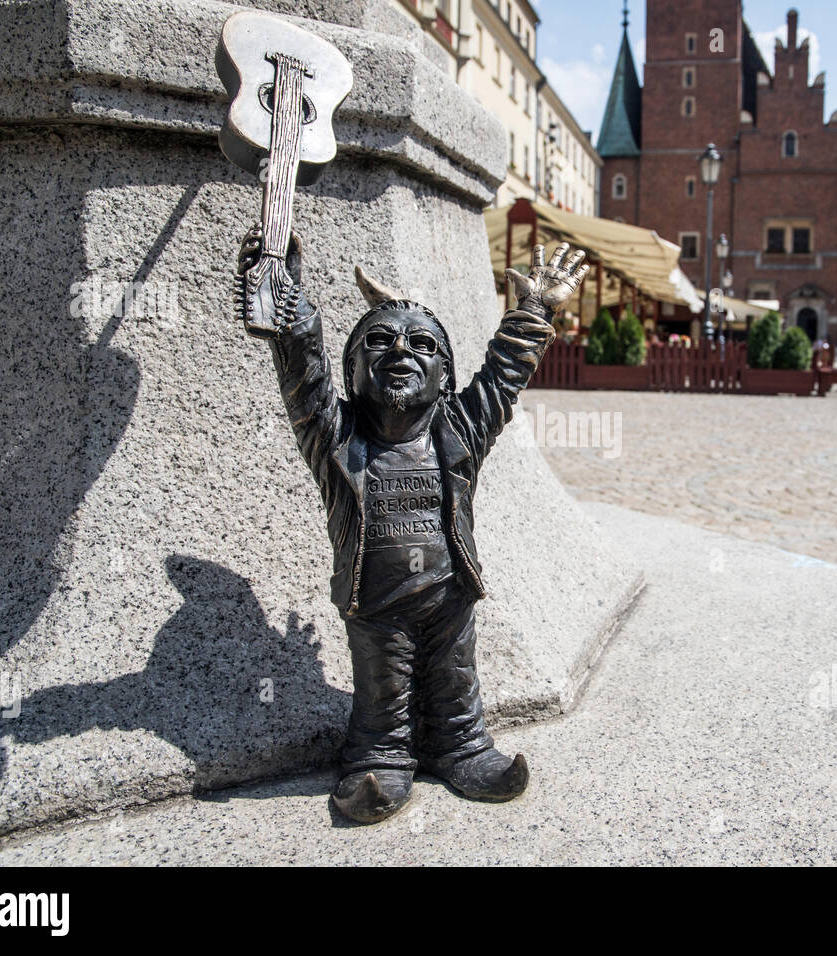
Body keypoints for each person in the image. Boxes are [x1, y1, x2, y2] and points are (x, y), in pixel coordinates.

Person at [235, 228, 587, 824]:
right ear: (352, 371)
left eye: (421, 344)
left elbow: (503, 375)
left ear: (444, 375)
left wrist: (537, 308)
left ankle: (464, 749)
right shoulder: (336, 437)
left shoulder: (460, 430)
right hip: (376, 601)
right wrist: (285, 291)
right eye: (379, 342)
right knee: (381, 695)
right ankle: (379, 762)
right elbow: (302, 367)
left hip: (449, 595)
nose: (400, 351)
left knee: (456, 684)